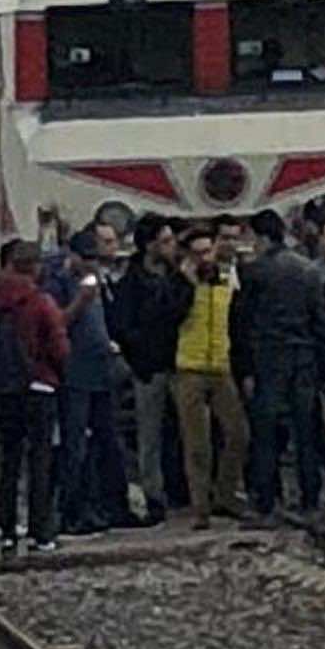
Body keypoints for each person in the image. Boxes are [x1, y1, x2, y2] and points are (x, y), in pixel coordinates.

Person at [236, 208, 325, 522]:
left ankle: (265, 500)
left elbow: (241, 324)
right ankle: (310, 497)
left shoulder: (253, 273)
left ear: (261, 237)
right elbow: (320, 321)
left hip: (268, 359)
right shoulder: (308, 270)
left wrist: (244, 367)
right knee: (306, 433)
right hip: (303, 358)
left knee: (266, 434)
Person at [0, 240, 69, 554]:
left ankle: (6, 531)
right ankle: (40, 533)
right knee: (40, 460)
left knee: (9, 461)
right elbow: (59, 346)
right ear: (35, 267)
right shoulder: (40, 301)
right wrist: (56, 373)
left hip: (4, 390)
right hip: (39, 387)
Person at [107, 214, 190, 526]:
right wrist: (140, 356)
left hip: (178, 363)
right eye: (166, 241)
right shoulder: (134, 282)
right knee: (150, 434)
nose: (172, 247)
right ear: (150, 245)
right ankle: (154, 494)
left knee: (178, 431)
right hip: (150, 366)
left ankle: (180, 488)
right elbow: (127, 325)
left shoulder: (172, 275)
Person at [48, 229, 129, 535]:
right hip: (75, 375)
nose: (93, 265)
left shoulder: (99, 281)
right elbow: (56, 324)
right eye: (88, 258)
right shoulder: (59, 283)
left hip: (100, 371)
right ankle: (72, 510)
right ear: (74, 257)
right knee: (75, 445)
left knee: (108, 440)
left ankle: (109, 506)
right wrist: (81, 300)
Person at [171, 227, 248, 529]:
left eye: (208, 251)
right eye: (198, 252)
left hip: (221, 365)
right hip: (189, 367)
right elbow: (170, 317)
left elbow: (237, 321)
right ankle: (200, 507)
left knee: (238, 433)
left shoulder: (227, 278)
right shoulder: (179, 284)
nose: (205, 257)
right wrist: (188, 284)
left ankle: (225, 494)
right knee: (197, 442)